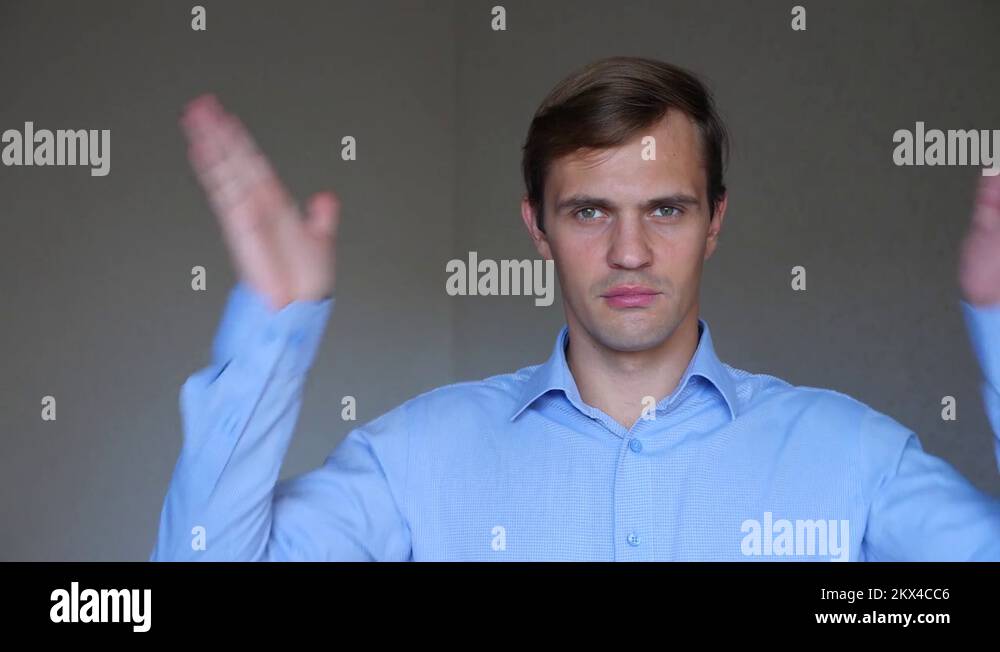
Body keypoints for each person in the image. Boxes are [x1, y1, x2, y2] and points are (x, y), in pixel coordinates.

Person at [150, 56, 1000, 561]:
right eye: (590, 210)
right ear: (538, 228)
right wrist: (275, 324)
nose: (629, 252)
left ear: (715, 222)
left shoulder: (854, 457)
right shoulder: (413, 459)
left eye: (665, 209)